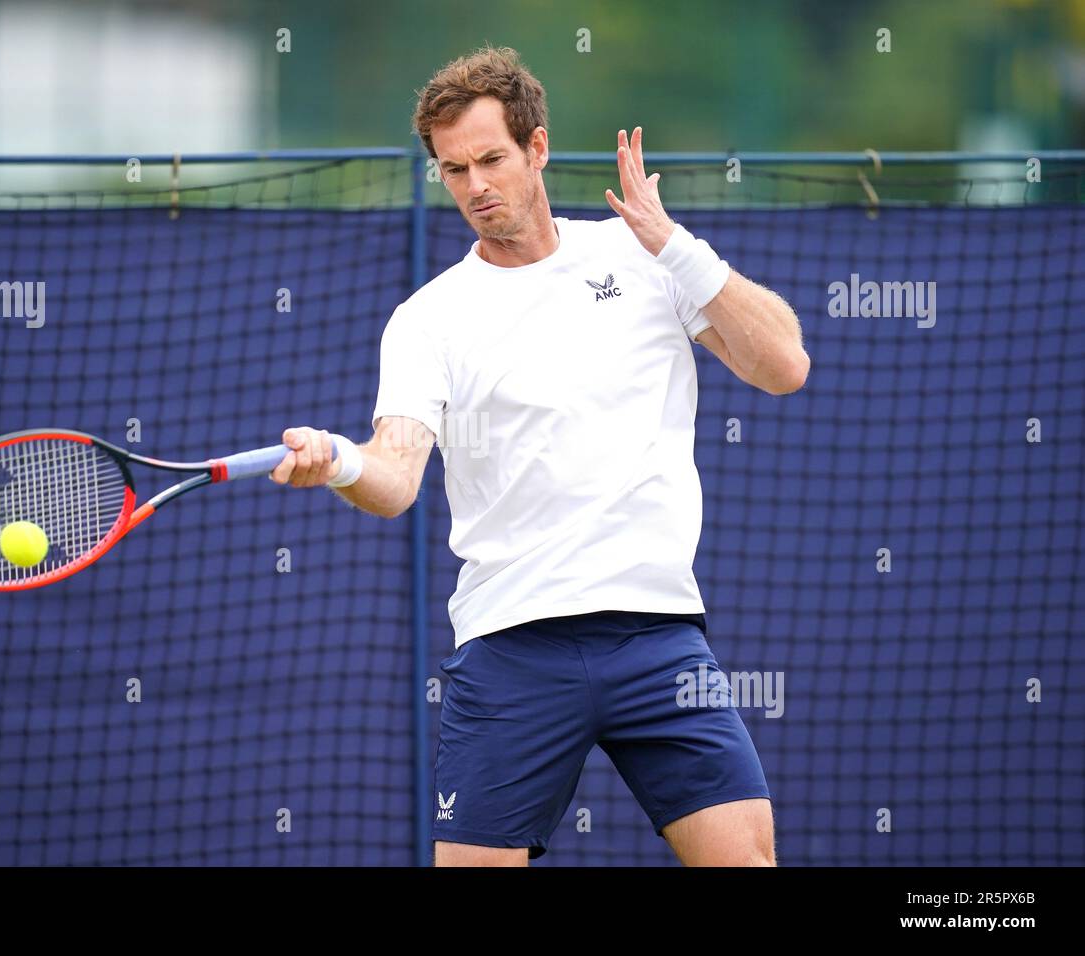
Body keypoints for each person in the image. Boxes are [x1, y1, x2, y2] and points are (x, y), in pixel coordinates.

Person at [271, 46, 808, 866]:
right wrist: (340, 460)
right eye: (455, 170)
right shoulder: (428, 320)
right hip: (510, 647)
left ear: (538, 148)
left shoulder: (643, 260)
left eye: (491, 159)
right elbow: (395, 476)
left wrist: (677, 247)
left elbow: (784, 367)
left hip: (658, 636)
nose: (476, 185)